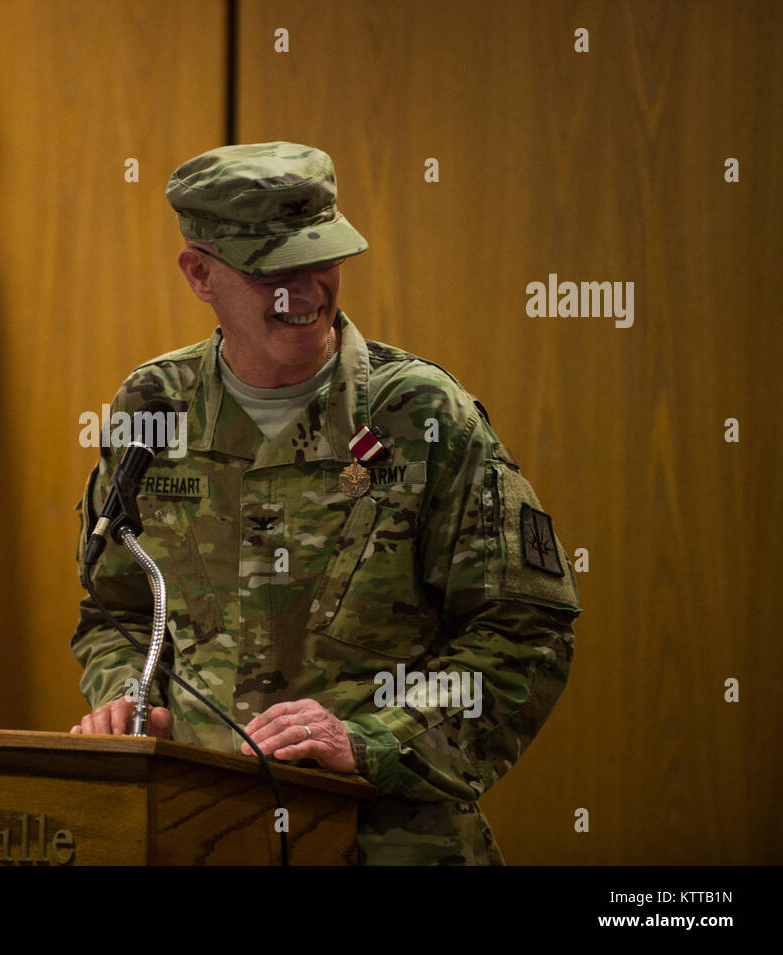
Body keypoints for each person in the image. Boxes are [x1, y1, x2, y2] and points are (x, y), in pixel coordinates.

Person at [68, 141, 581, 865]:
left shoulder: (422, 416)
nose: (304, 291)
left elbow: (526, 633)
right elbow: (115, 608)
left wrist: (372, 742)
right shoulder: (153, 409)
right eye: (271, 270)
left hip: (386, 842)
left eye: (321, 259)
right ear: (199, 272)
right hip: (197, 835)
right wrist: (127, 698)